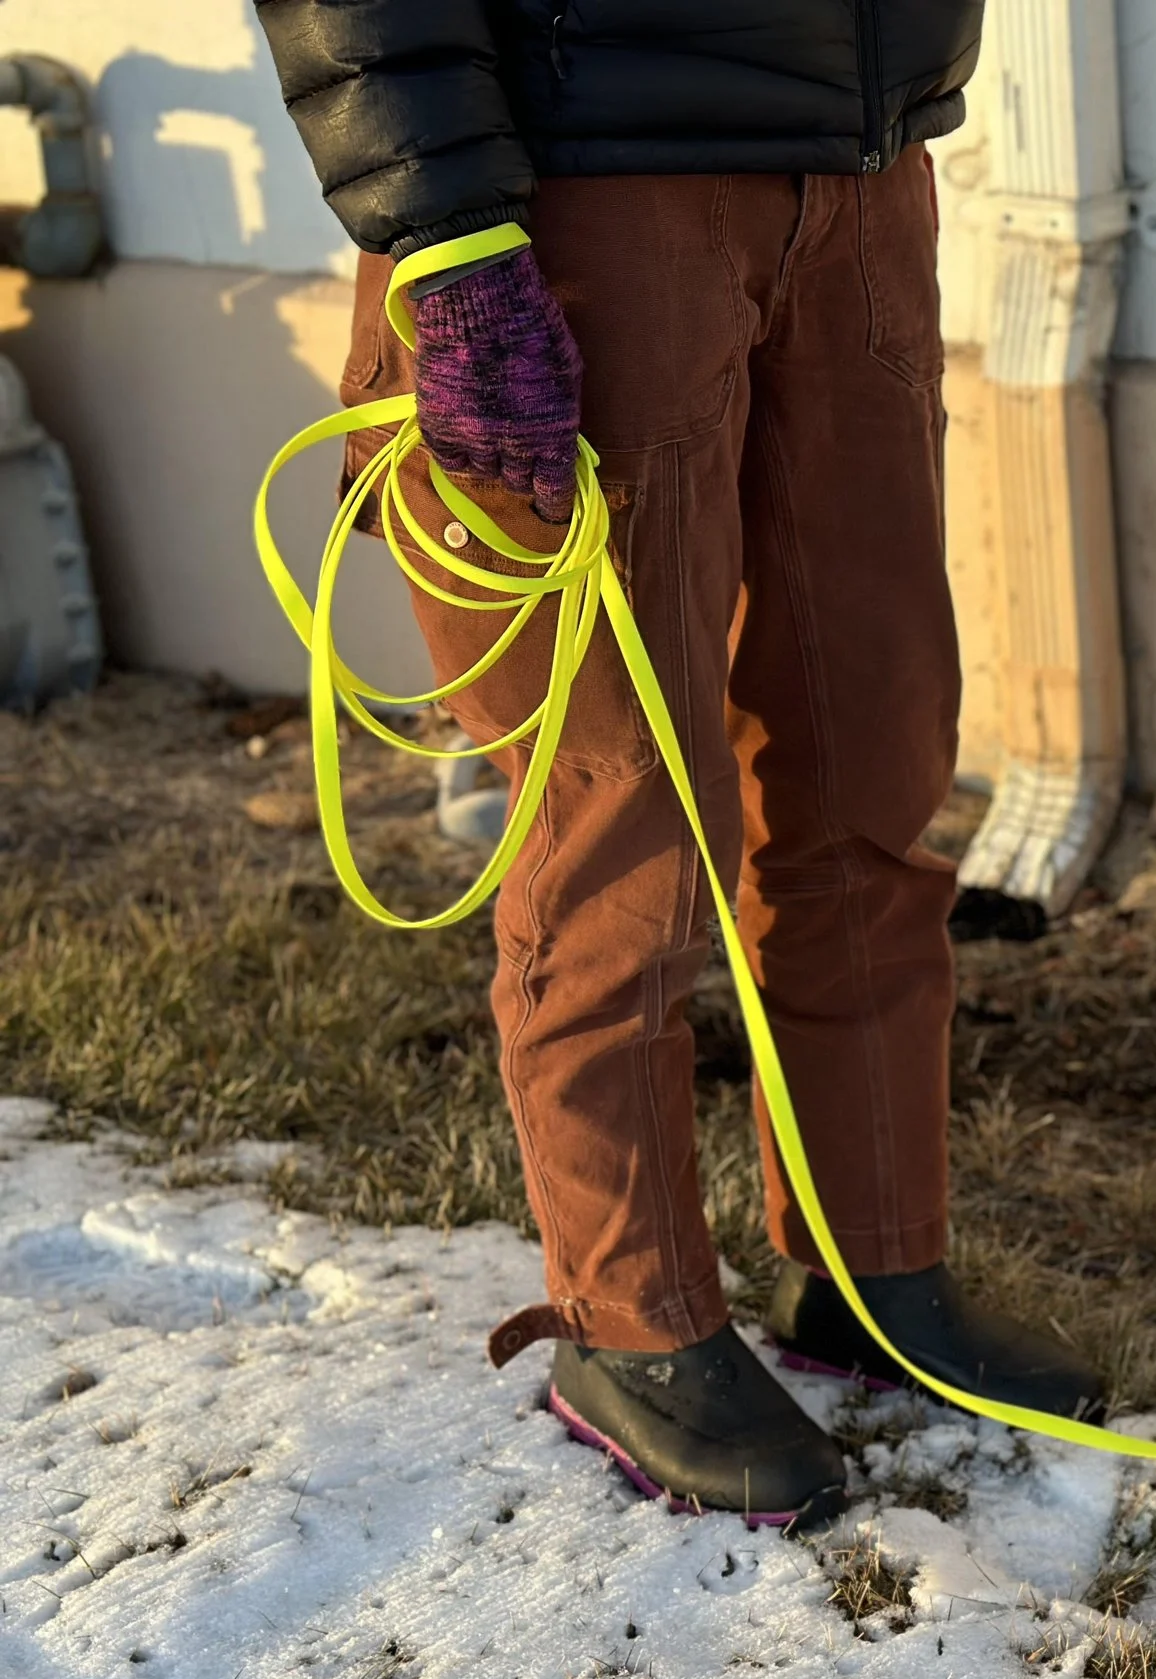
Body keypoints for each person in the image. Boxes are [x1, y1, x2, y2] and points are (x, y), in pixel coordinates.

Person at [255, 0, 1103, 1529]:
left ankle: (871, 1266)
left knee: (870, 766)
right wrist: (449, 234)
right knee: (624, 815)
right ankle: (630, 1319)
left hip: (861, 168)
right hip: (584, 179)